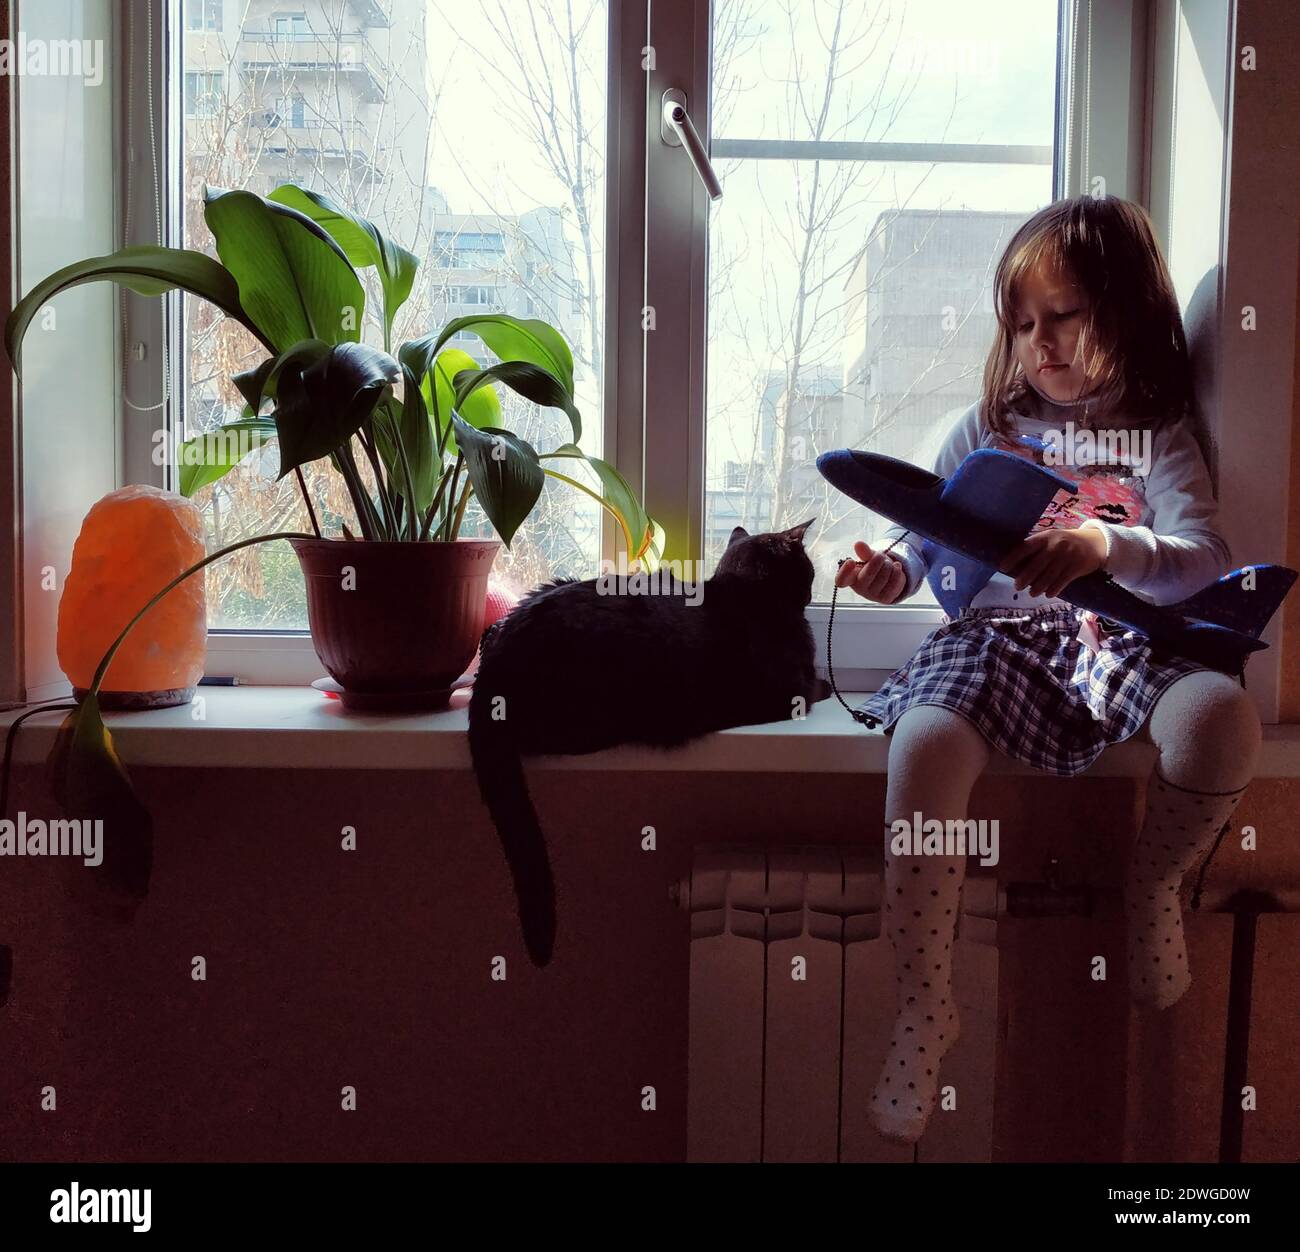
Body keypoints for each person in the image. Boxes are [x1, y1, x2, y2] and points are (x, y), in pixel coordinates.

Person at [835, 195, 1260, 1145]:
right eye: (1022, 324)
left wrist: (1110, 547)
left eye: (1063, 315)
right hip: (996, 646)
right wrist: (884, 573)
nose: (1041, 342)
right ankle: (926, 999)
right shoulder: (983, 430)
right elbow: (926, 544)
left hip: (1122, 642)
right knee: (926, 750)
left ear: (1127, 311)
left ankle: (1154, 883)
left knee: (1223, 723)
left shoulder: (1158, 438)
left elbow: (1202, 556)